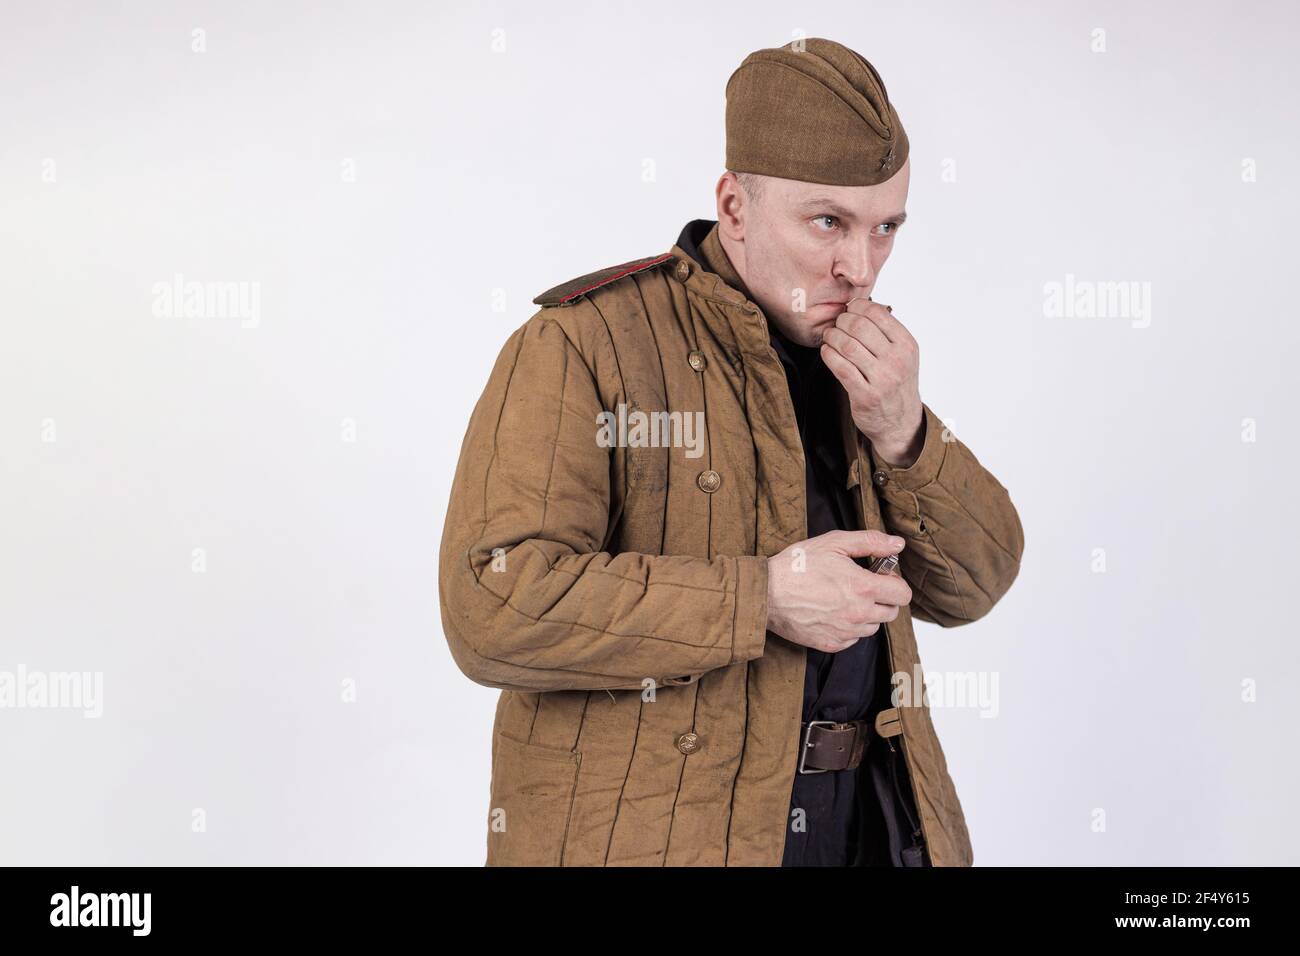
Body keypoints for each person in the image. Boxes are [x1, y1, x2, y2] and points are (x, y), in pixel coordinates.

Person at [439, 37, 1024, 867]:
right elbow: (489, 607)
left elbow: (975, 587)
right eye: (829, 222)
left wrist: (905, 432)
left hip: (870, 828)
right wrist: (761, 598)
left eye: (886, 227)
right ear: (734, 206)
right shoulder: (582, 342)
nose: (860, 267)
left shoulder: (857, 362)